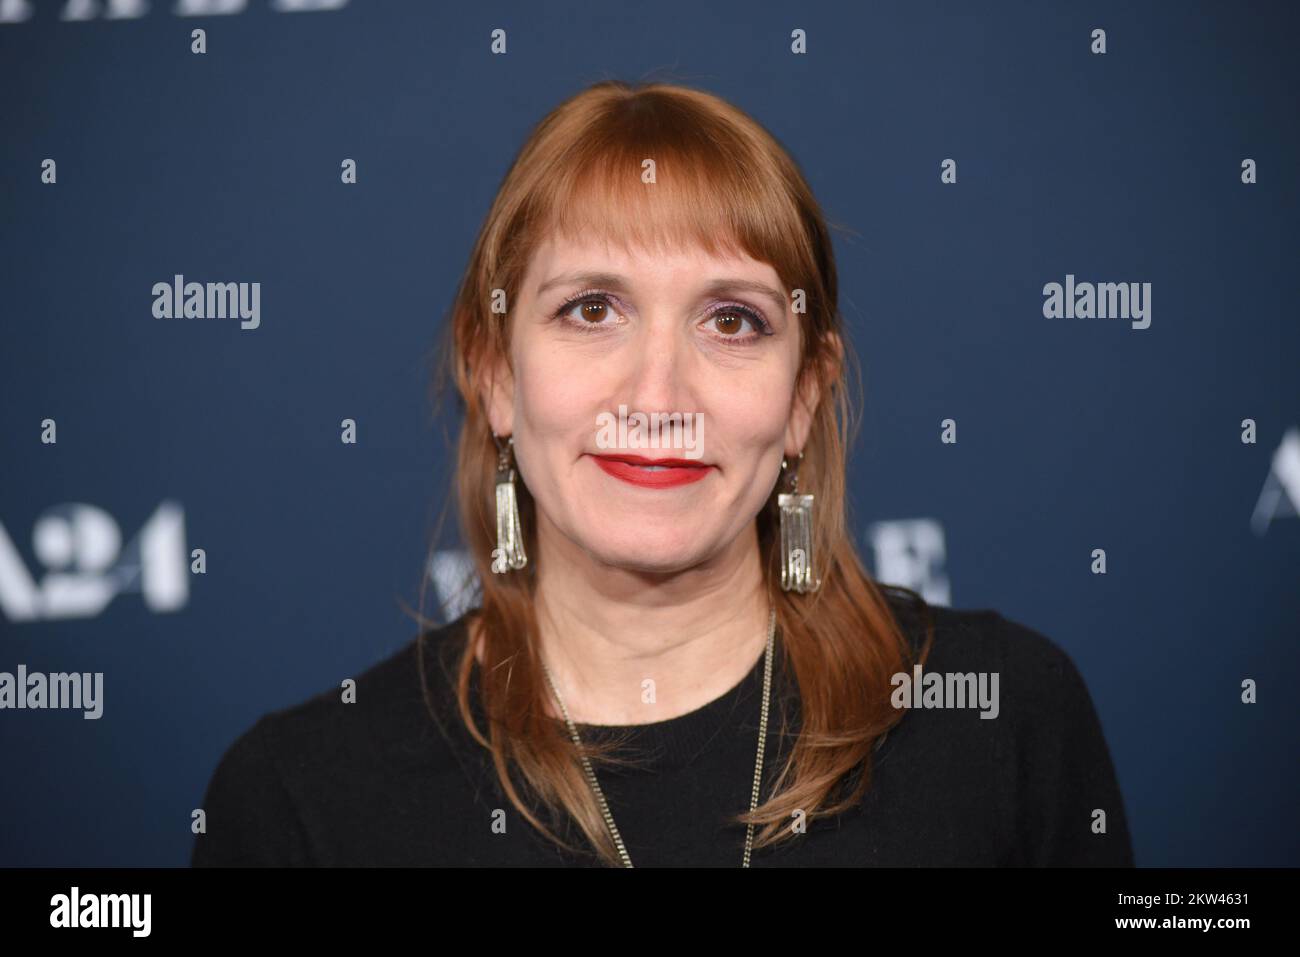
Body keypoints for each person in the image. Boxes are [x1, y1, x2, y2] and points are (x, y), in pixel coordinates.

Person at [191, 79, 1134, 868]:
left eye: (733, 320)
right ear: (494, 376)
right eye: (593, 308)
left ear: (805, 395)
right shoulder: (301, 802)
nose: (659, 392)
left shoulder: (1000, 714)